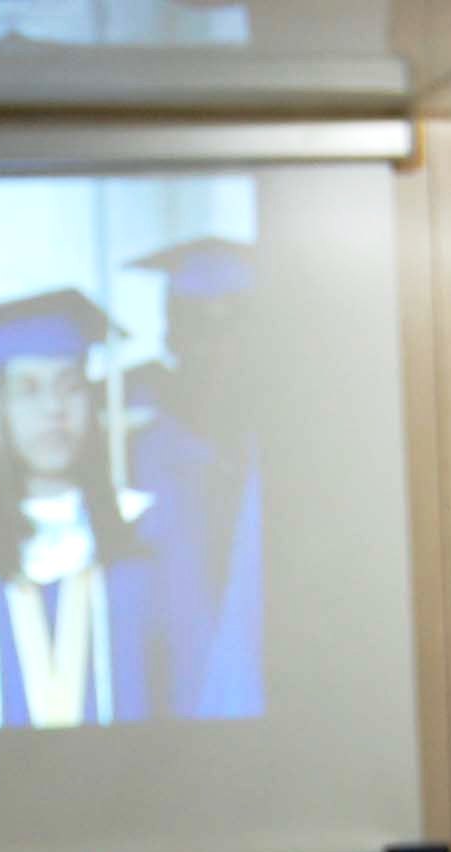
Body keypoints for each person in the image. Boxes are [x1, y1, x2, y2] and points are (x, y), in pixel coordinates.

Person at [0, 288, 229, 731]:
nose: (53, 409)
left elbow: (200, 695)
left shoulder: (151, 541)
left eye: (71, 387)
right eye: (28, 390)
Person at [125, 236, 265, 718]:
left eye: (231, 325)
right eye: (197, 325)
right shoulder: (133, 427)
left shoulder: (274, 432)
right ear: (171, 334)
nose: (214, 345)